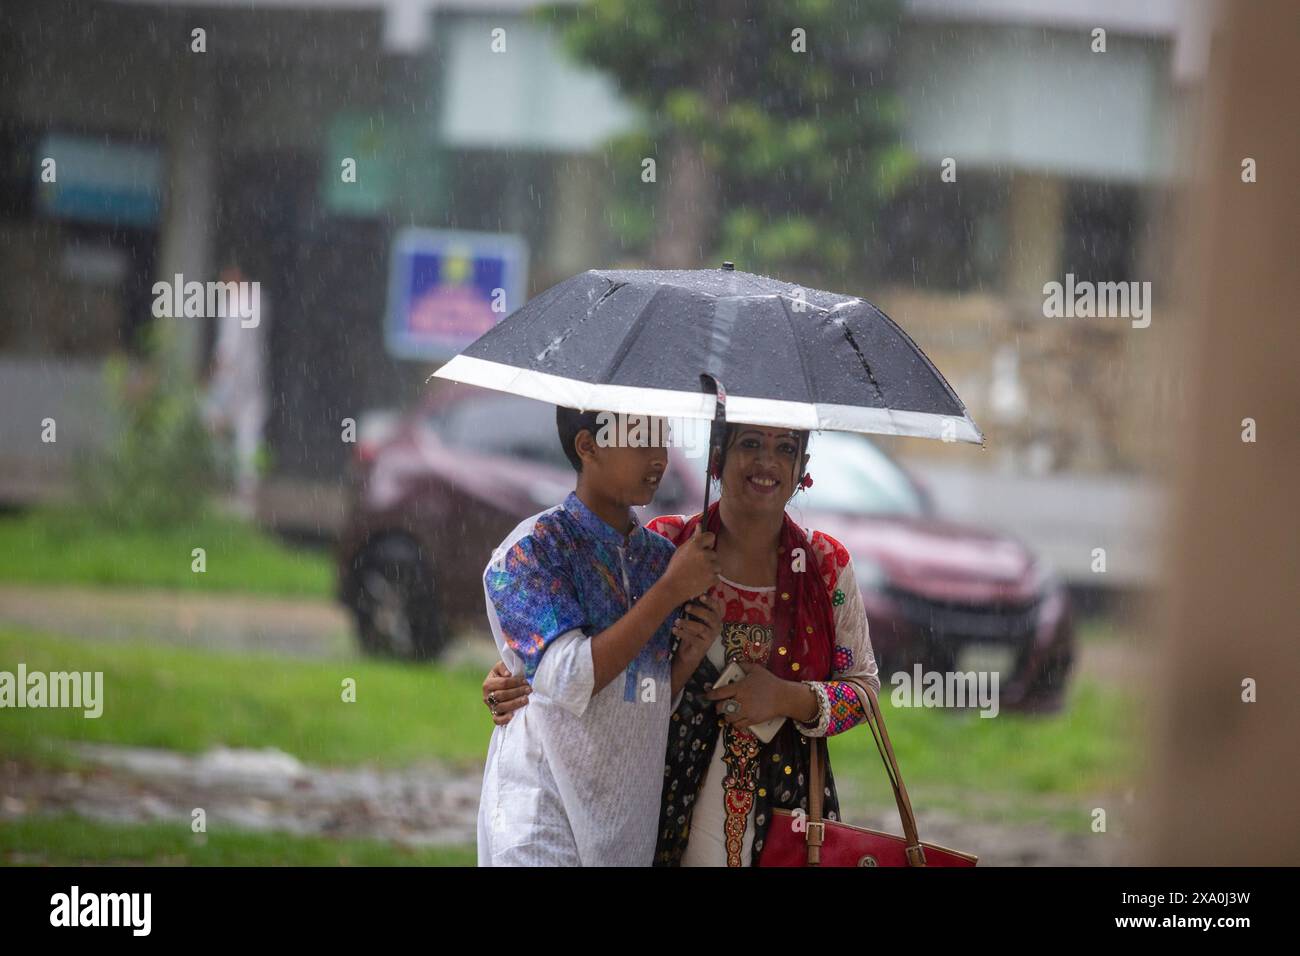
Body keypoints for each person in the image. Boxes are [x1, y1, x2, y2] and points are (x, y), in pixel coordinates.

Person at [484, 423, 881, 866]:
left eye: (786, 449)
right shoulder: (666, 548)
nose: (767, 462)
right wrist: (520, 676)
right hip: (663, 803)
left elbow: (864, 692)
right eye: (749, 443)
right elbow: (589, 655)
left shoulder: (825, 566)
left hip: (786, 811)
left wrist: (787, 697)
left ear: (802, 467)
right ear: (716, 456)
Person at [476, 407, 724, 866]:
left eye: (663, 439)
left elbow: (634, 701)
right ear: (587, 446)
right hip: (539, 811)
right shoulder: (529, 551)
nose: (659, 459)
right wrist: (670, 589)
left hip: (623, 824)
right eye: (641, 440)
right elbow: (569, 679)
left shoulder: (658, 559)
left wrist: (683, 663)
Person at [202, 261, 268, 518]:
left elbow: (228, 349)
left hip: (233, 379)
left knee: (216, 425)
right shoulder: (257, 299)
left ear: (235, 276)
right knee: (247, 433)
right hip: (250, 378)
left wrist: (215, 375)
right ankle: (244, 484)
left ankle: (223, 478)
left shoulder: (238, 304)